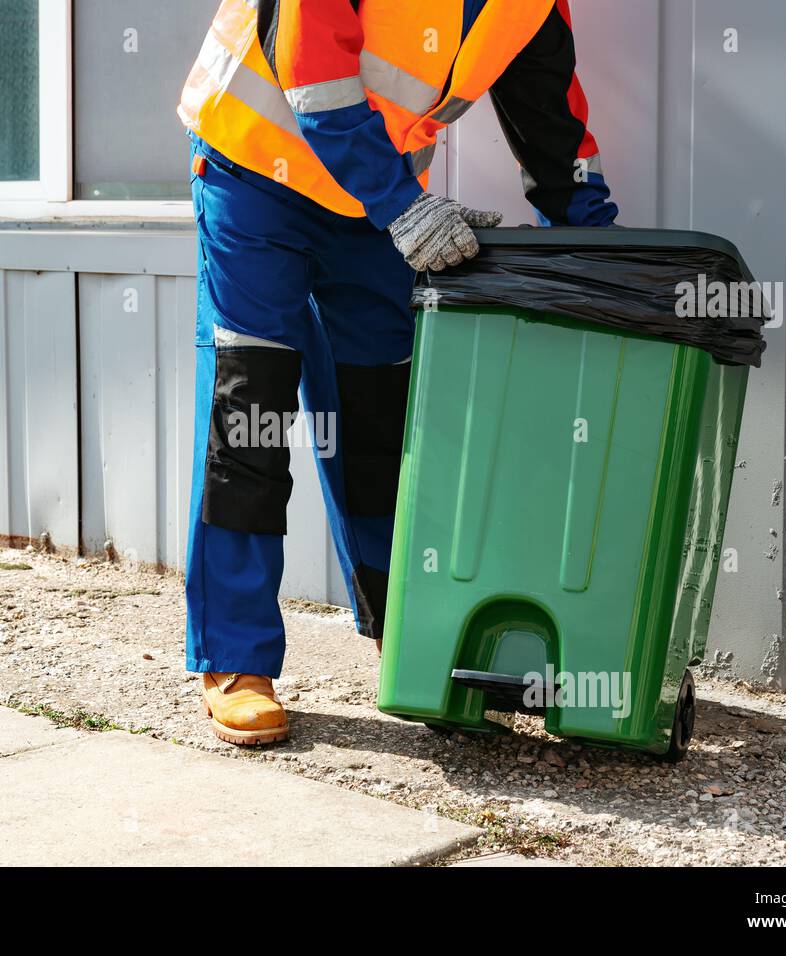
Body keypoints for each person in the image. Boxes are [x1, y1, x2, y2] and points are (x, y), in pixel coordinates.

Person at [178, 0, 618, 745]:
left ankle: (408, 642)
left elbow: (553, 131)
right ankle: (236, 659)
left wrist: (601, 264)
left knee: (384, 416)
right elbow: (313, 74)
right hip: (255, 172)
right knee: (250, 408)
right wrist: (405, 207)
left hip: (372, 206)